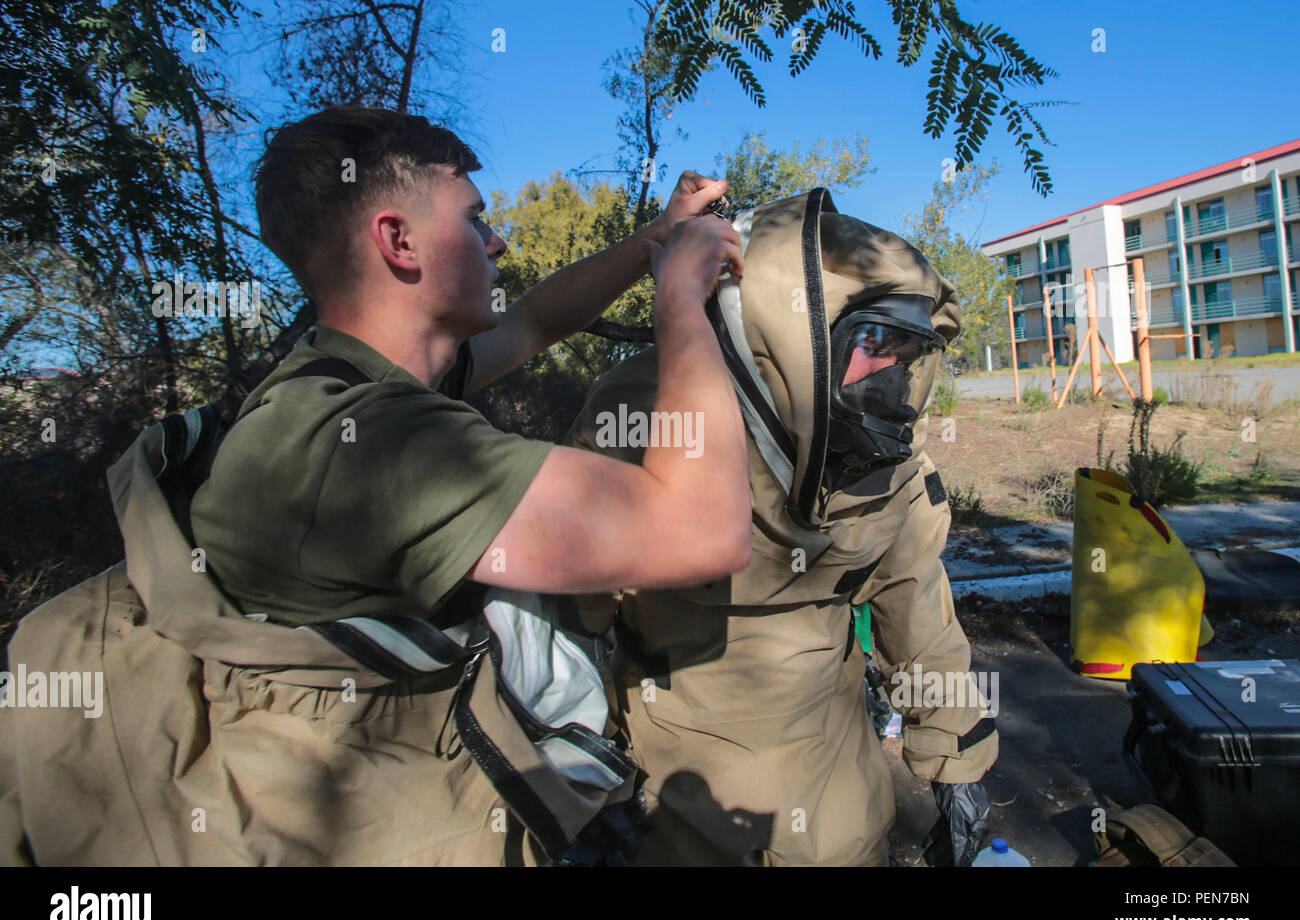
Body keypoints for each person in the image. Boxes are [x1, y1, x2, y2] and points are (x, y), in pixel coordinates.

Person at [0, 107, 752, 866]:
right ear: (398, 240)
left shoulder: (334, 378)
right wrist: (680, 300)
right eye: (475, 219)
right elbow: (701, 530)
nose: (498, 241)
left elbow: (528, 323)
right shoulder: (360, 443)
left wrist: (656, 238)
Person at [568, 188, 998, 866]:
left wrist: (958, 756)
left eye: (908, 353)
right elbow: (570, 622)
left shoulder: (884, 457)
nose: (892, 372)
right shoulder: (644, 414)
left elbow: (914, 603)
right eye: (875, 341)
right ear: (790, 332)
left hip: (837, 801)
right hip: (677, 800)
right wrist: (580, 775)